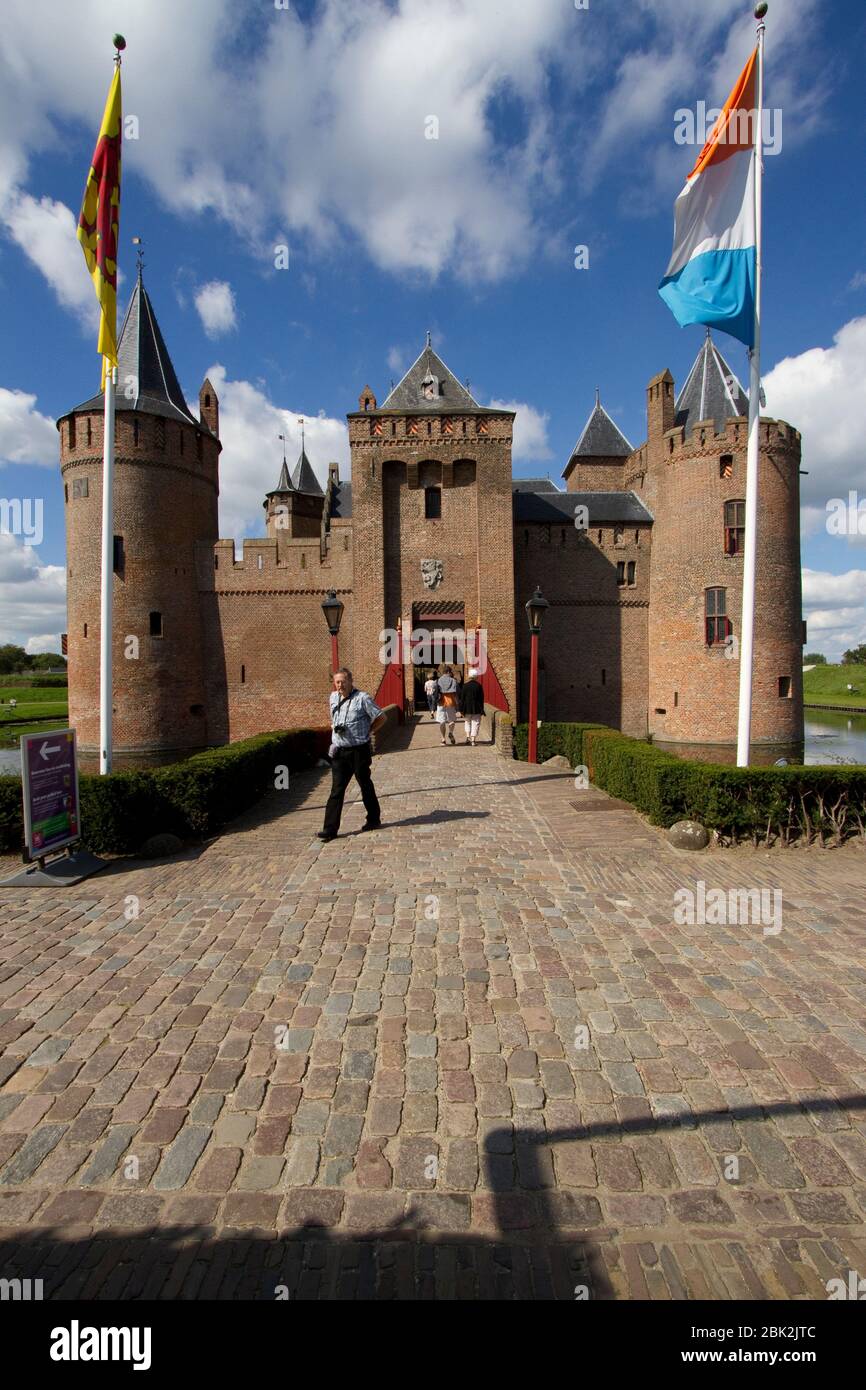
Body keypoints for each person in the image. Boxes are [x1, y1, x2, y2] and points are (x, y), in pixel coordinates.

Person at [318, 667, 386, 842]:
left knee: (365, 785)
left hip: (358, 751)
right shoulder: (333, 697)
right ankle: (330, 829)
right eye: (337, 682)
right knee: (336, 791)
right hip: (339, 751)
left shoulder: (362, 698)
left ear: (350, 681)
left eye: (343, 681)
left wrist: (369, 731)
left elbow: (382, 717)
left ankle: (373, 818)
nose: (340, 685)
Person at [459, 667, 484, 746]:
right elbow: (481, 698)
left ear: (469, 676)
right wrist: (482, 709)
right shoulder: (479, 686)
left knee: (467, 722)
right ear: (476, 676)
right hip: (476, 707)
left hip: (466, 708)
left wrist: (461, 709)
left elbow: (462, 699)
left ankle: (467, 737)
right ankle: (473, 740)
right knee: (475, 723)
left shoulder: (465, 686)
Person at [435, 664, 459, 746]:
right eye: (450, 672)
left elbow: (436, 693)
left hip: (441, 703)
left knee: (442, 722)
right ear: (448, 672)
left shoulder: (438, 681)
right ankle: (451, 732)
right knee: (451, 721)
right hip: (451, 702)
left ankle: (443, 739)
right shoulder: (453, 681)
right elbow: (457, 693)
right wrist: (458, 705)